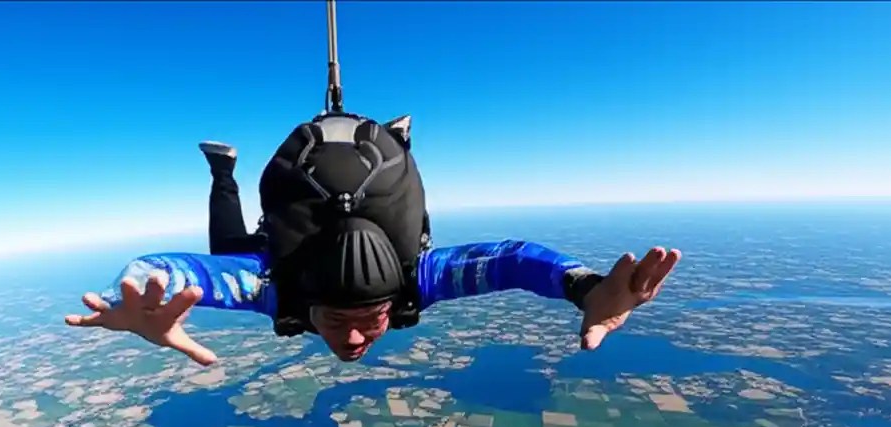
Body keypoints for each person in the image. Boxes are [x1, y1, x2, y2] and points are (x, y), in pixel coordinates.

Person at [65, 113, 681, 367]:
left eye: (368, 319)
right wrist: (144, 300)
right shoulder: (278, 286)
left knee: (242, 252)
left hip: (343, 216)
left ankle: (394, 146)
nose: (355, 336)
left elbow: (511, 261)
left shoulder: (289, 290)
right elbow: (171, 273)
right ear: (312, 305)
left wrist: (587, 289)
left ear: (394, 302)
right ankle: (225, 171)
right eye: (341, 320)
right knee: (234, 253)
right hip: (319, 227)